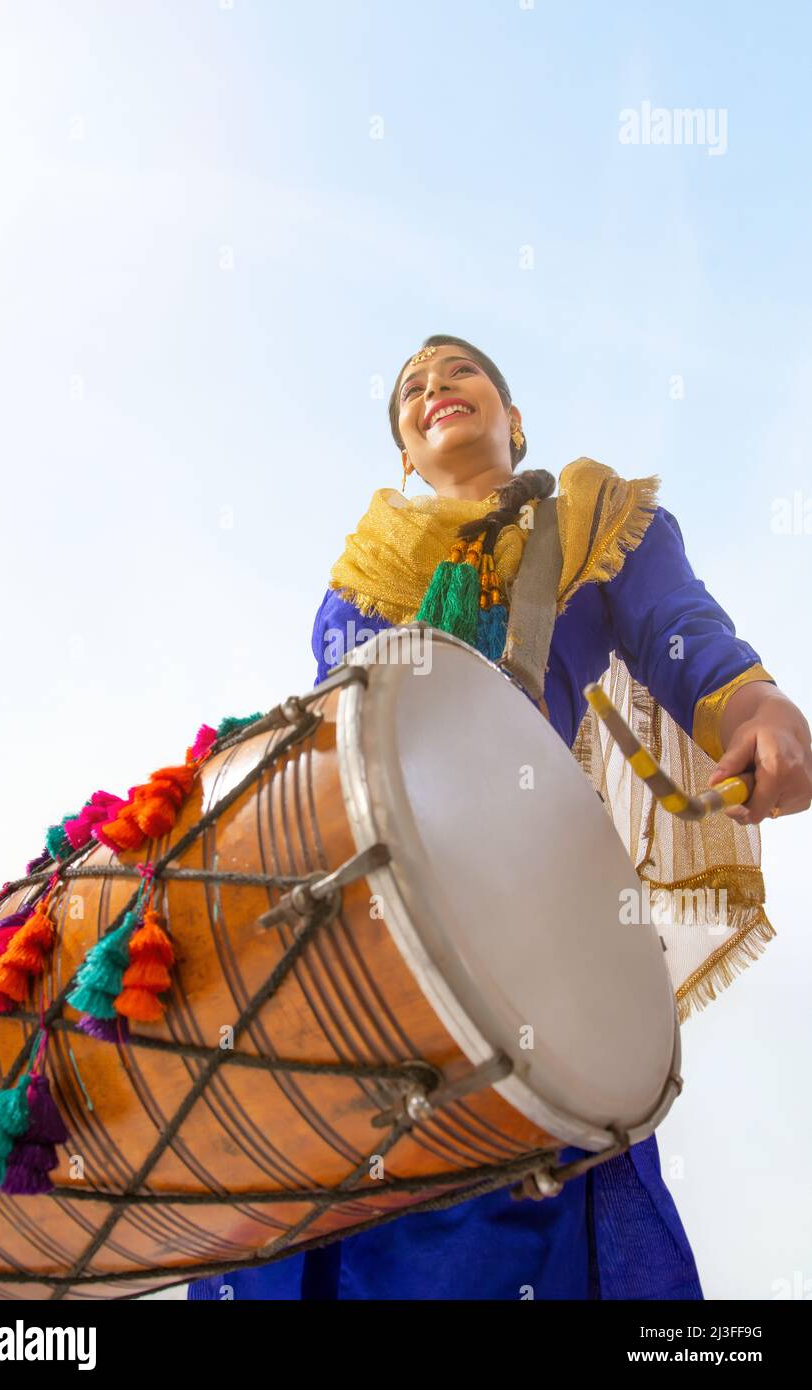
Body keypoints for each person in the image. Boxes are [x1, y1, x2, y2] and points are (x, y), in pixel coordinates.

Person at [188, 335, 812, 1301]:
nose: (433, 387)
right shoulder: (362, 573)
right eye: (411, 388)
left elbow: (680, 631)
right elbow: (337, 734)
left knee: (500, 1209)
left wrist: (757, 710)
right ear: (402, 449)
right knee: (307, 1172)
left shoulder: (595, 519)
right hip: (353, 911)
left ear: (515, 422)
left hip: (513, 898)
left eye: (459, 373)